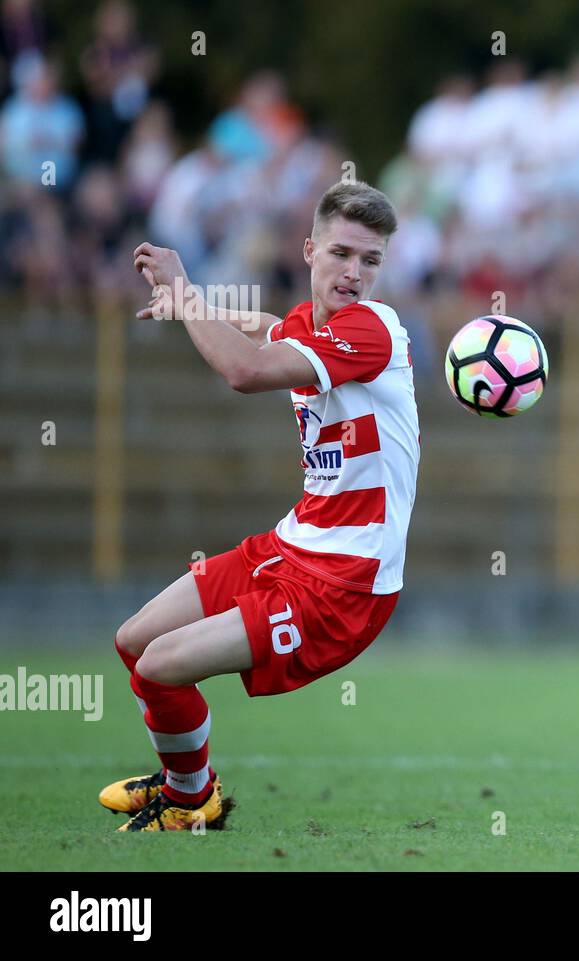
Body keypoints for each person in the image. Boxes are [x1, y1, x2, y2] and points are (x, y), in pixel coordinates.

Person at [102, 181, 419, 831]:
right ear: (309, 250)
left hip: (343, 586)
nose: (354, 272)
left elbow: (244, 370)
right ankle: (191, 783)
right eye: (341, 253)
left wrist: (184, 289)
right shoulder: (309, 327)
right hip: (290, 546)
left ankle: (191, 801)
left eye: (371, 260)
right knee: (134, 641)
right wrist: (192, 308)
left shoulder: (371, 331)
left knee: (162, 666)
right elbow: (262, 327)